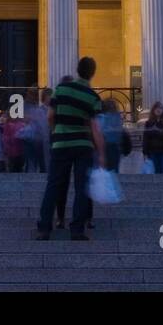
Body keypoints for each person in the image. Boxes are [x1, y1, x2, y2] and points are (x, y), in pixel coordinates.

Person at [36, 58, 104, 241]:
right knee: (82, 187)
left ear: (77, 70)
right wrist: (102, 152)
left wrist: (56, 132)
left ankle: (44, 228)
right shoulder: (93, 97)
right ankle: (77, 229)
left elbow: (50, 116)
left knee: (54, 185)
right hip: (83, 145)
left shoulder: (61, 89)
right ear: (92, 73)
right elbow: (95, 128)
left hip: (61, 144)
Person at [20, 88, 52, 173]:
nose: (51, 98)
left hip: (47, 140)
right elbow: (39, 125)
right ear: (44, 97)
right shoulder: (39, 110)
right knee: (39, 163)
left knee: (45, 163)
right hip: (39, 140)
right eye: (49, 96)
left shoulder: (52, 110)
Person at [141, 102, 163, 175]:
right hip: (152, 150)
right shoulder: (148, 123)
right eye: (156, 108)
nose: (158, 110)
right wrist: (145, 152)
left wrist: (156, 132)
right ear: (153, 110)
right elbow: (146, 138)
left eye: (160, 108)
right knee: (155, 171)